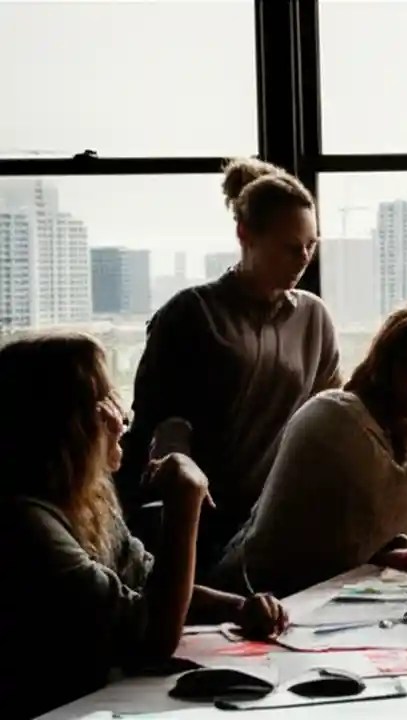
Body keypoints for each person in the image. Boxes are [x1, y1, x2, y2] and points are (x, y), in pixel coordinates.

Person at [0, 335, 287, 720]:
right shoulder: (27, 524)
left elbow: (150, 585)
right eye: (104, 404)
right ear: (63, 424)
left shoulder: (87, 502)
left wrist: (237, 607)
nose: (121, 421)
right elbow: (153, 635)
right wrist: (184, 504)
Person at [117, 158, 341, 576]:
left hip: (278, 517)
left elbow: (327, 416)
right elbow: (160, 422)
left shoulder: (314, 318)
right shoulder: (191, 313)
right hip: (200, 518)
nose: (304, 258)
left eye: (312, 245)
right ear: (245, 235)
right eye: (291, 246)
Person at [213, 307, 407, 599]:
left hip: (338, 602)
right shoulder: (338, 420)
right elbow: (342, 547)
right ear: (385, 368)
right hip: (256, 603)